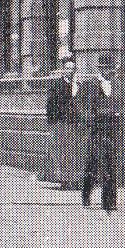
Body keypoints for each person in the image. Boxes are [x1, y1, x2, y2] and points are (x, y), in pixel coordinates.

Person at [82, 54, 120, 212]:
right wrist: (91, 117)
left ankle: (110, 201)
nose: (109, 72)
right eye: (106, 69)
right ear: (101, 69)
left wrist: (119, 114)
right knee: (94, 164)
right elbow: (82, 107)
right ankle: (86, 192)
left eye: (111, 69)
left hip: (112, 131)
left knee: (110, 164)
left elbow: (122, 103)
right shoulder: (90, 85)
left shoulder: (116, 85)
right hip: (96, 130)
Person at [44, 57, 82, 188]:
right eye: (67, 69)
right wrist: (52, 122)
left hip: (74, 124)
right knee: (61, 151)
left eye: (72, 69)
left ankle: (74, 179)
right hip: (60, 122)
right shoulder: (56, 85)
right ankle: (63, 180)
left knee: (73, 151)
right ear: (63, 70)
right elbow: (50, 104)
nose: (70, 71)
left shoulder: (77, 85)